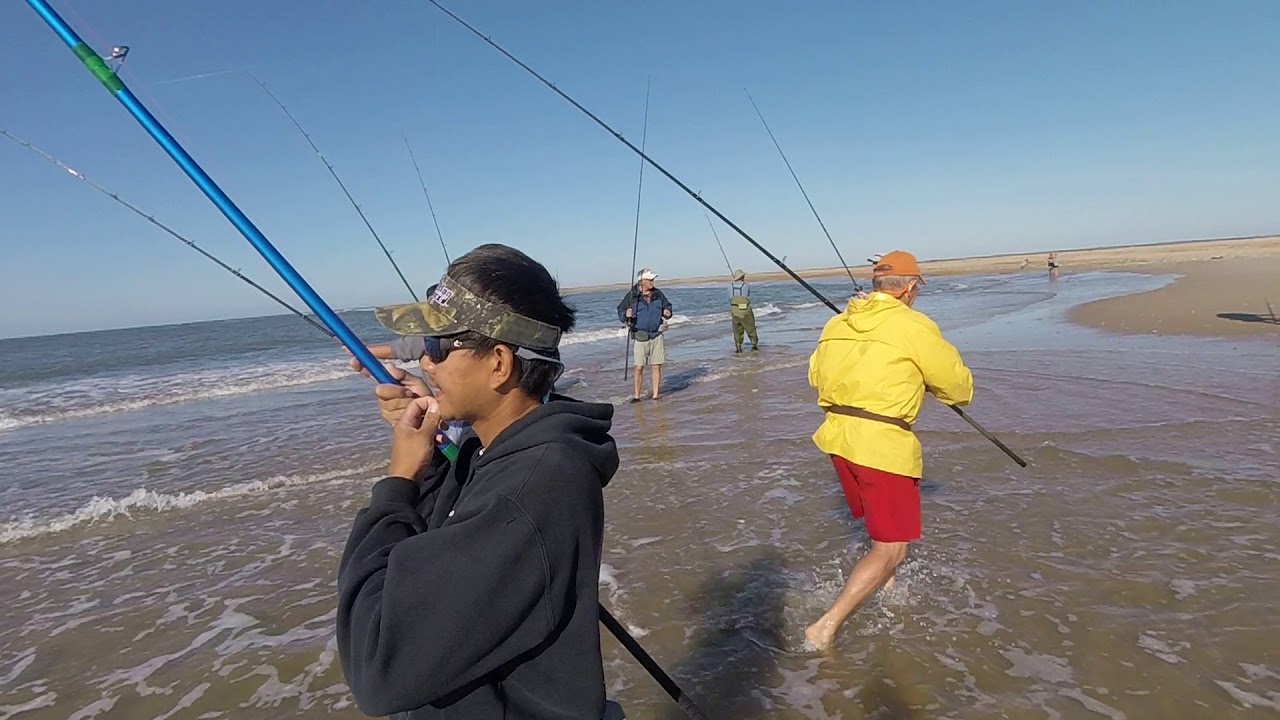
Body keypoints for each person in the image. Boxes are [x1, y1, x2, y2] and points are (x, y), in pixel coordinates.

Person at [337, 243, 623, 719]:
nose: (425, 363)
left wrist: (399, 482)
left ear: (499, 364)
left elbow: (376, 668)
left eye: (436, 346)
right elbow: (431, 542)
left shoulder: (528, 490)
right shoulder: (501, 451)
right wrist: (431, 459)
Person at [804, 250, 974, 651]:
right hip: (882, 447)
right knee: (893, 549)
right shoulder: (914, 326)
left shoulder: (836, 322)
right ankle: (825, 626)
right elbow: (959, 389)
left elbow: (815, 375)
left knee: (879, 531)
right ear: (910, 289)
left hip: (837, 440)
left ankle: (886, 588)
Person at [617, 268, 672, 401]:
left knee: (656, 366)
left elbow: (668, 306)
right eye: (650, 279)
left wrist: (668, 312)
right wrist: (626, 315)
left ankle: (655, 396)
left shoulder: (658, 294)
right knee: (639, 367)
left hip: (657, 334)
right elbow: (620, 310)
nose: (653, 281)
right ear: (642, 281)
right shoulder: (631, 296)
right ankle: (636, 396)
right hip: (640, 336)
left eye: (653, 279)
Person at [729, 269, 759, 353]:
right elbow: (747, 294)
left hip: (734, 309)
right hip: (745, 308)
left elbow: (730, 297)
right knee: (751, 328)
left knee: (737, 329)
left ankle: (738, 347)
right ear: (742, 276)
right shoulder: (746, 285)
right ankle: (754, 345)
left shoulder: (730, 286)